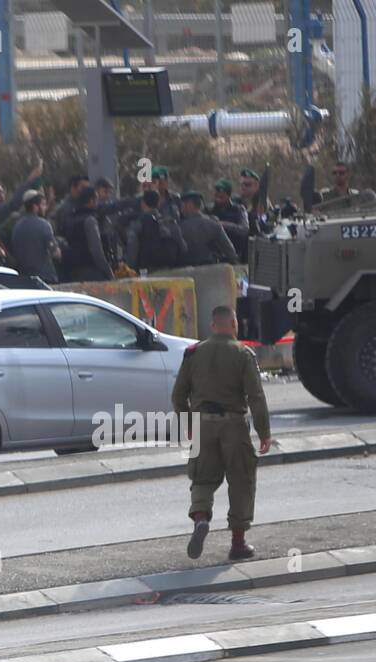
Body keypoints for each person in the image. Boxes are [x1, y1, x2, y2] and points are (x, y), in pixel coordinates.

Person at [172, 306, 273, 561]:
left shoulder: (193, 353)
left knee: (202, 479)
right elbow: (256, 397)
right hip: (234, 426)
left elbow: (177, 396)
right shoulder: (243, 354)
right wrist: (264, 432)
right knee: (241, 481)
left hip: (202, 426)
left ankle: (201, 519)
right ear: (234, 325)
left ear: (212, 325)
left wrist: (189, 423)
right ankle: (238, 544)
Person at [60, 186, 114, 281]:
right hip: (91, 271)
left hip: (71, 271)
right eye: (96, 199)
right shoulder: (90, 220)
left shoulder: (70, 220)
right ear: (91, 201)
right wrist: (108, 271)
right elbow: (96, 250)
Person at [125, 188, 186, 273]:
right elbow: (183, 247)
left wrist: (130, 269)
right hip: (169, 271)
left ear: (143, 203)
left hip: (146, 272)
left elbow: (132, 250)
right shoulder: (170, 222)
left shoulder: (138, 224)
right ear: (159, 203)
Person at [10, 190, 60, 285]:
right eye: (43, 204)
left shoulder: (17, 226)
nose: (45, 208)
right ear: (35, 207)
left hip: (24, 278)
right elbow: (56, 253)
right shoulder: (44, 225)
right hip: (45, 278)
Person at [179, 191, 239, 266]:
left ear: (189, 205)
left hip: (184, 272)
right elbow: (230, 251)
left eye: (182, 204)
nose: (181, 208)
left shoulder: (179, 227)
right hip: (210, 269)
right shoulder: (213, 224)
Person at [209, 178, 250, 258]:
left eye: (221, 194)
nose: (218, 196)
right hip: (213, 256)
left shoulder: (238, 210)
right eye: (216, 193)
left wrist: (223, 224)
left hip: (234, 254)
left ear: (228, 195)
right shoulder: (209, 210)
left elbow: (244, 230)